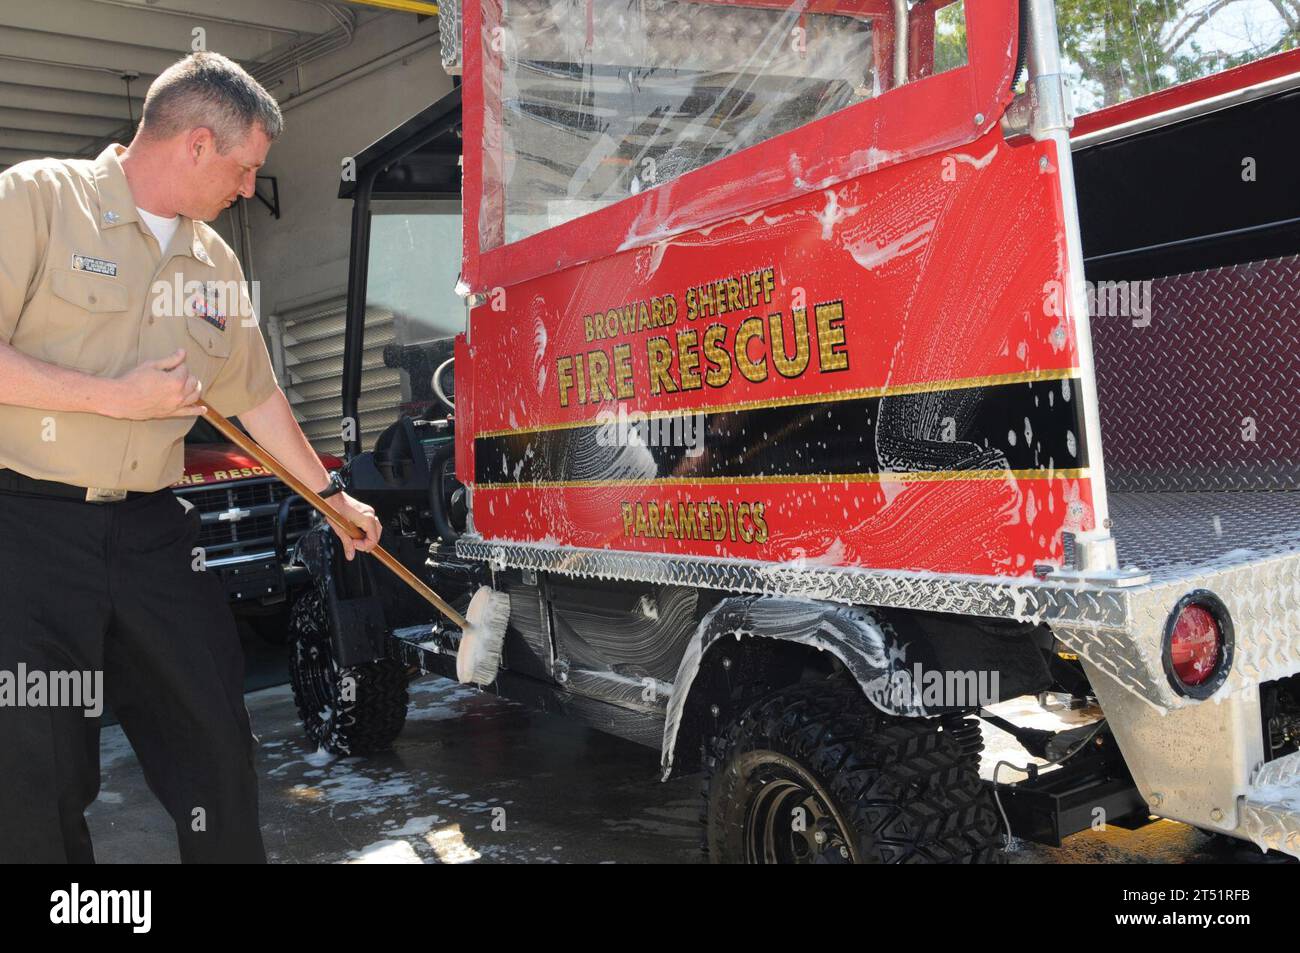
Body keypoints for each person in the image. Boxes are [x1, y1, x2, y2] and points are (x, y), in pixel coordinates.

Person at [0, 51, 382, 863]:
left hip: (152, 535)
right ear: (198, 144)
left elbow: (255, 396)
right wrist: (116, 398)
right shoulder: (36, 200)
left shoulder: (216, 264)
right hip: (25, 531)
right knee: (34, 772)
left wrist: (330, 496)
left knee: (215, 739)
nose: (249, 189)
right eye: (245, 168)